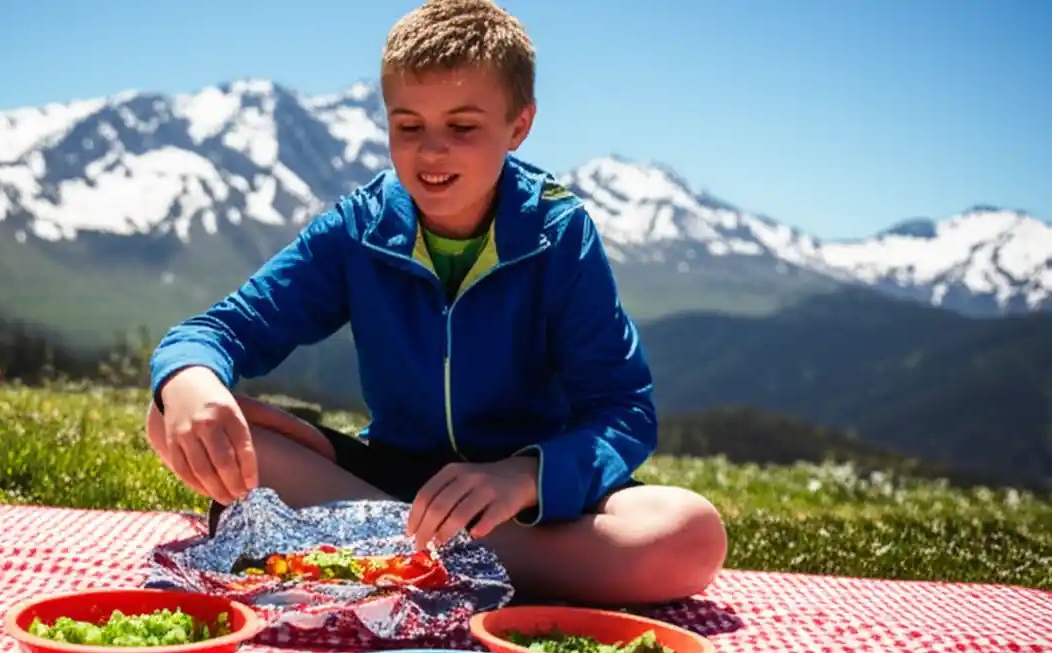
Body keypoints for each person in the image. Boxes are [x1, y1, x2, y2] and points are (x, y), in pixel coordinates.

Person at [145, 0, 726, 606]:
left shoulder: (559, 235)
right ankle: (448, 558)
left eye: (464, 128)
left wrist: (523, 476)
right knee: (170, 415)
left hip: (527, 502)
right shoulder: (358, 229)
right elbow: (225, 328)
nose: (431, 152)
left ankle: (371, 549)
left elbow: (623, 409)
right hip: (394, 481)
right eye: (409, 126)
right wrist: (192, 378)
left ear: (518, 126)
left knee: (689, 534)